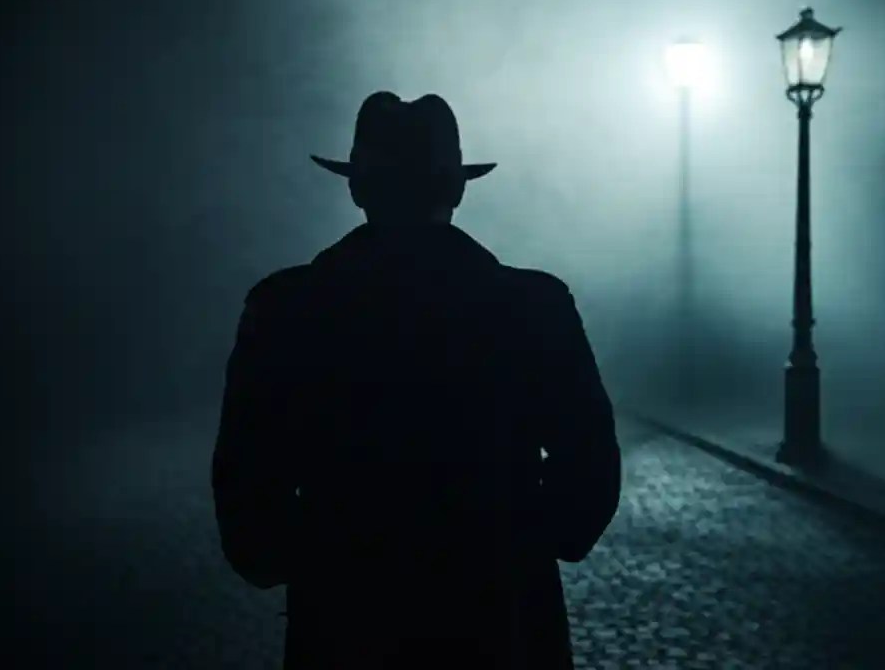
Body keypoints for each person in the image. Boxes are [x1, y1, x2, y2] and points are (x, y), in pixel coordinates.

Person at [211, 91, 622, 668]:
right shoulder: (531, 303)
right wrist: (518, 541)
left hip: (347, 620)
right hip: (501, 617)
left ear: (357, 187)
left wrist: (316, 555)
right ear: (455, 188)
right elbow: (590, 462)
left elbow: (247, 478)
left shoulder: (287, 306)